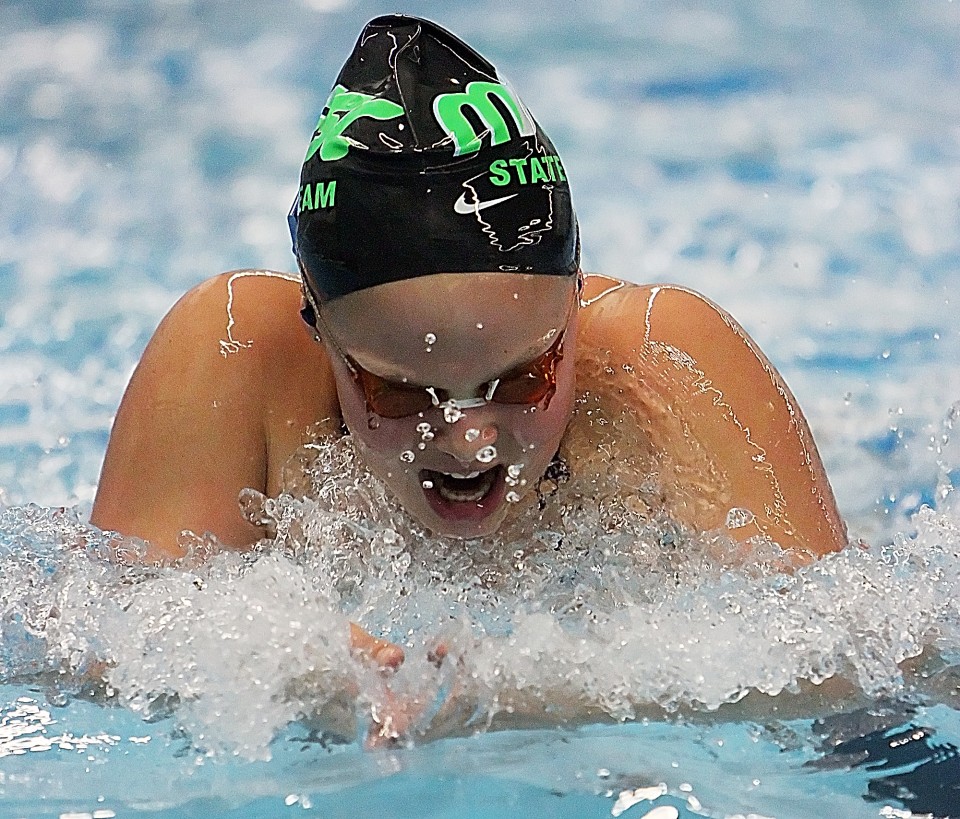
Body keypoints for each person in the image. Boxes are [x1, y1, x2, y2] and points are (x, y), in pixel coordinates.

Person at [91, 15, 846, 673]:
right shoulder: (232, 350)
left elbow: (845, 667)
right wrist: (294, 665)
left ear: (575, 305)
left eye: (522, 378)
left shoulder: (668, 363)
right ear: (317, 325)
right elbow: (102, 653)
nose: (469, 439)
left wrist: (521, 697)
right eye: (400, 391)